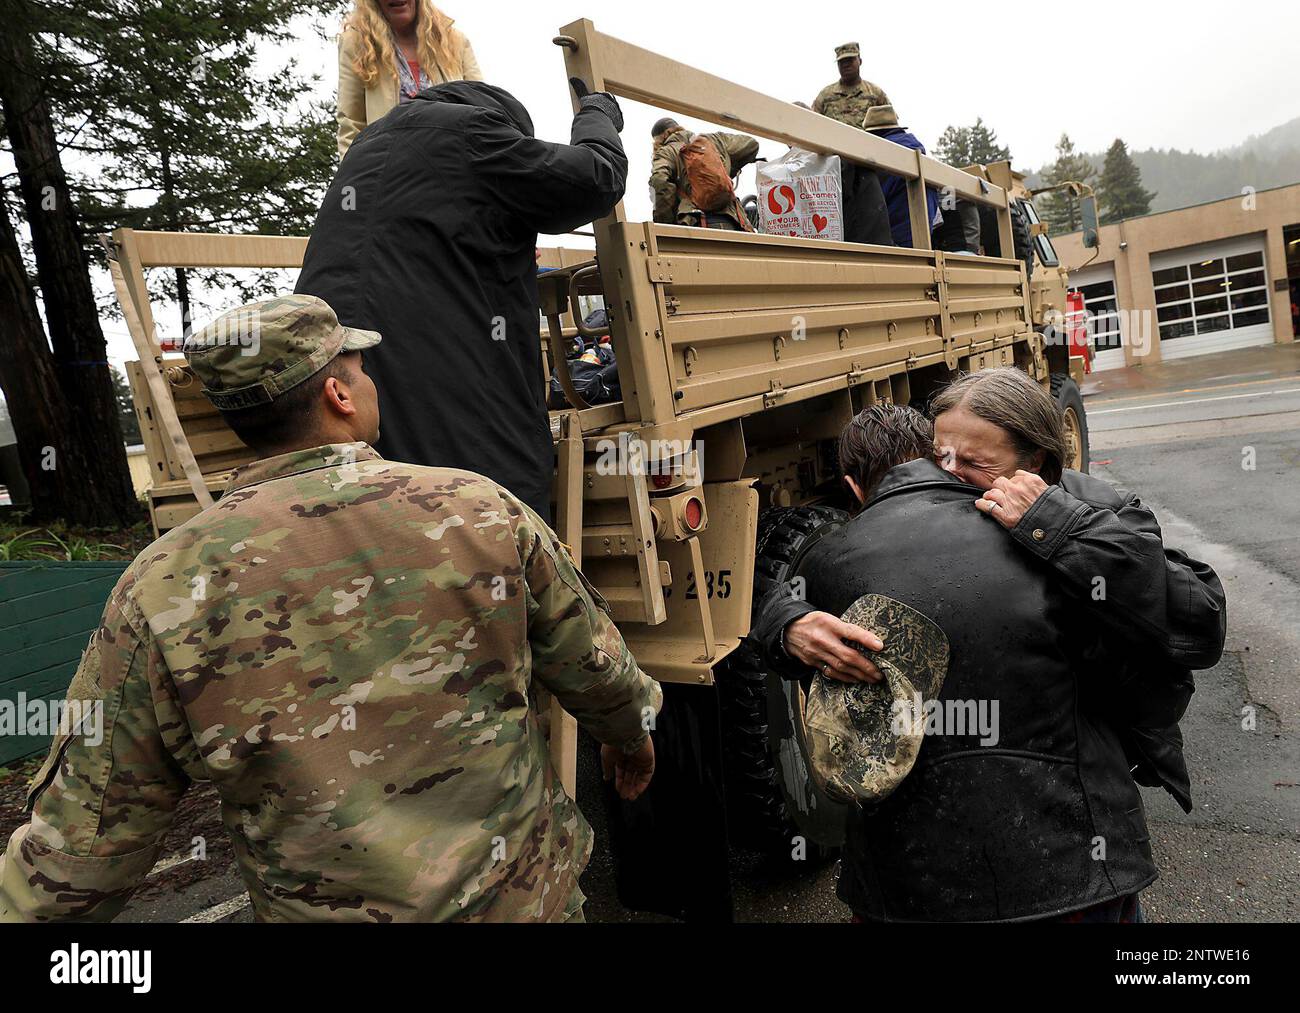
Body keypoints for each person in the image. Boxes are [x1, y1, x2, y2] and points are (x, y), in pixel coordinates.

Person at [0, 296, 662, 923]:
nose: (371, 384)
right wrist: (630, 733)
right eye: (361, 370)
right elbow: (592, 661)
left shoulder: (162, 584)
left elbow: (81, 846)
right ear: (338, 395)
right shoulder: (482, 510)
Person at [766, 399, 1223, 921]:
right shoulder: (865, 550)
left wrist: (1059, 527)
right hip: (1060, 869)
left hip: (953, 879)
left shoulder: (1082, 516)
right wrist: (786, 624)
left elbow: (1196, 620)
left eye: (974, 462)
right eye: (943, 458)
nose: (952, 475)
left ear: (1036, 465)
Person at [297, 80, 628, 523]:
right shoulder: (476, 133)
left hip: (334, 398)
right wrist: (597, 115)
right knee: (491, 535)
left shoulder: (368, 145)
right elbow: (594, 177)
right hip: (446, 413)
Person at [336, 0, 482, 158]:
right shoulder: (357, 43)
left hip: (454, 167)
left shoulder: (455, 41)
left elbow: (482, 108)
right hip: (391, 173)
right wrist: (354, 180)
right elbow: (351, 123)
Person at [649, 118, 759, 231]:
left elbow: (659, 180)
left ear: (666, 134)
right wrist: (723, 172)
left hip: (698, 224)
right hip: (735, 223)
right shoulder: (712, 140)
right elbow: (751, 145)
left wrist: (665, 225)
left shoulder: (667, 151)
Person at [861, 104, 942, 248]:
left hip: (893, 242)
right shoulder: (919, 156)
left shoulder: (881, 156)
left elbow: (871, 202)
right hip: (923, 240)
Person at [811, 43, 890, 128]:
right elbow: (811, 123)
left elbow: (891, 126)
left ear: (860, 61)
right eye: (841, 62)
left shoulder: (875, 93)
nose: (846, 65)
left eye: (850, 60)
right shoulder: (825, 95)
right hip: (832, 140)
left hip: (865, 141)